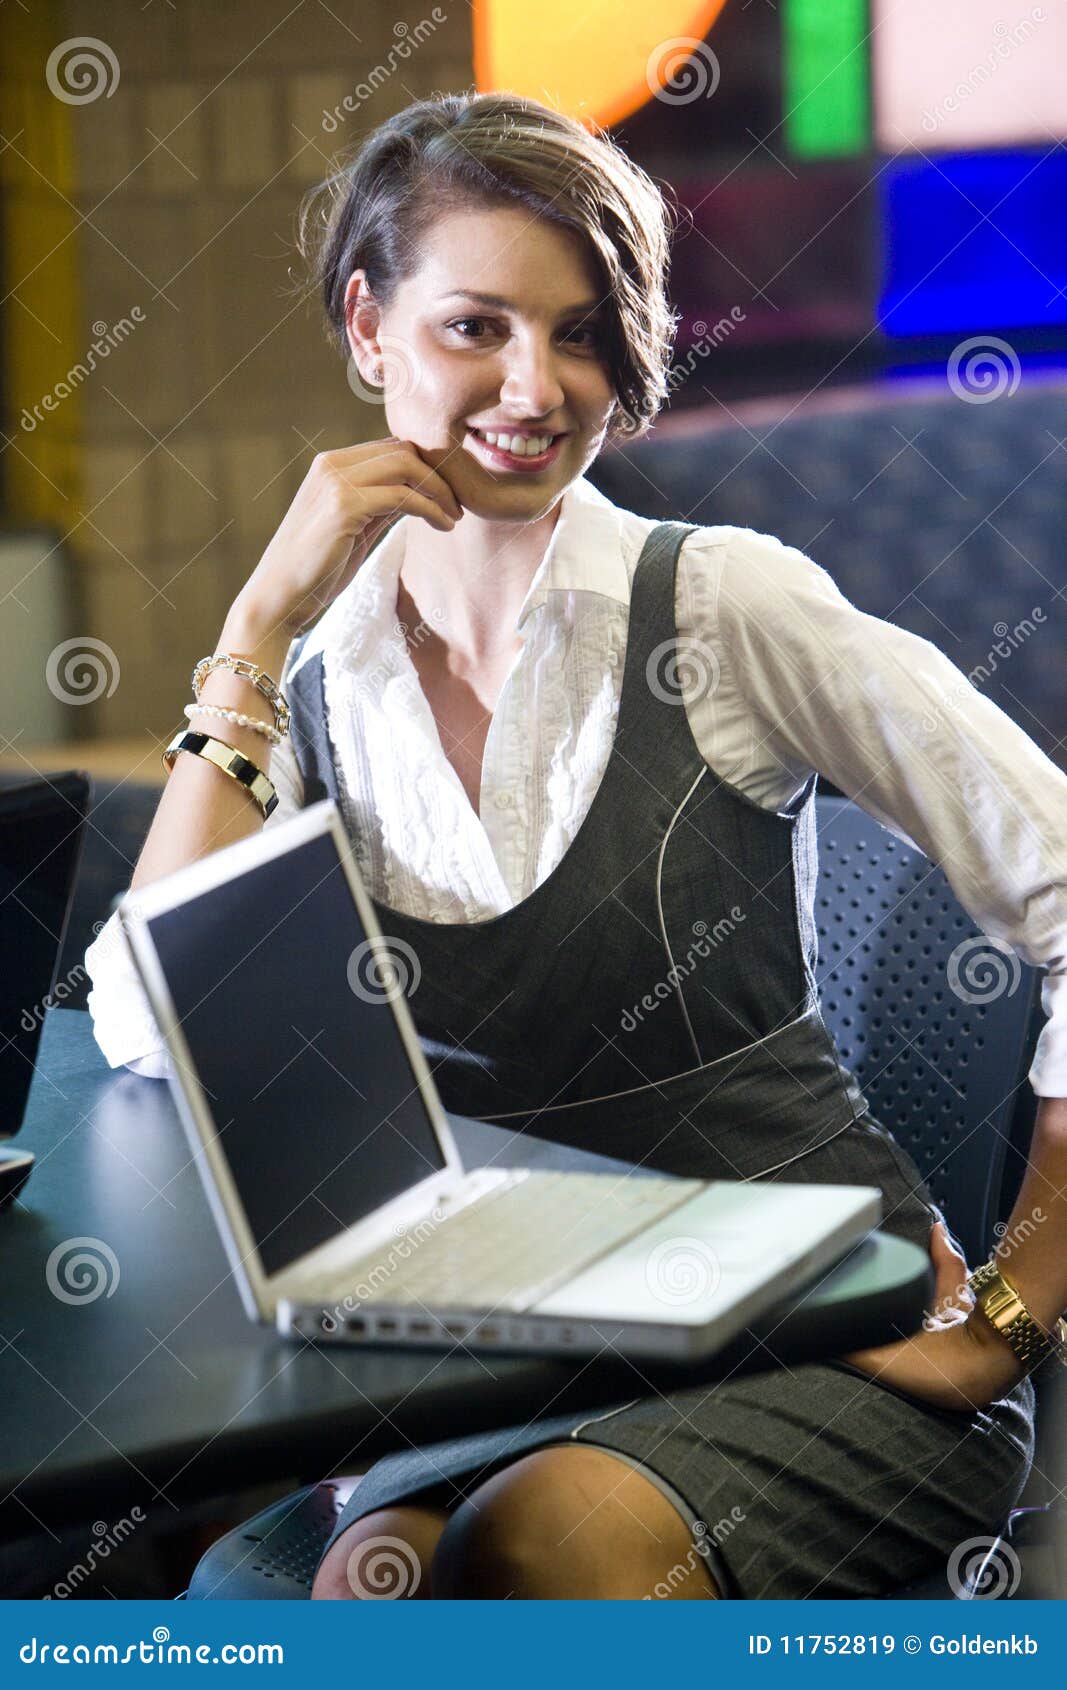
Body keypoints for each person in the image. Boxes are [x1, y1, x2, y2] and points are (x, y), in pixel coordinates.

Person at [84, 92, 1067, 1602]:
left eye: (582, 333)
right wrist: (251, 634)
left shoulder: (726, 606)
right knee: (358, 1588)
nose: (535, 388)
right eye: (476, 325)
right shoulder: (329, 676)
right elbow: (157, 1024)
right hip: (515, 1353)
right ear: (368, 325)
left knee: (539, 1551)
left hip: (821, 1324)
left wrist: (1016, 1305)